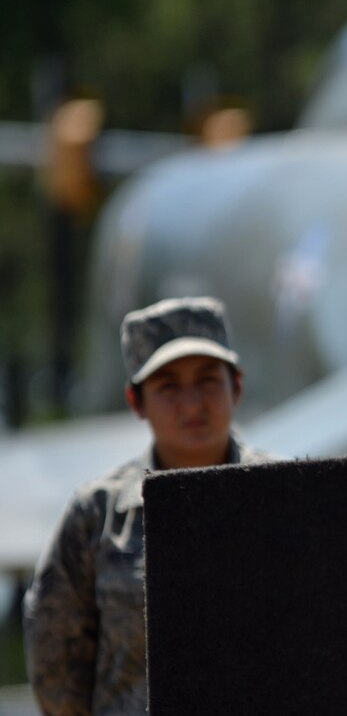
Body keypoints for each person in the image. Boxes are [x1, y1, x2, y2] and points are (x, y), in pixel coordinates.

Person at [23, 296, 274, 715]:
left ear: (238, 386)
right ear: (137, 402)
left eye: (208, 380)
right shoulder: (97, 516)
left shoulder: (286, 496)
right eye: (169, 386)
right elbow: (55, 667)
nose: (192, 404)